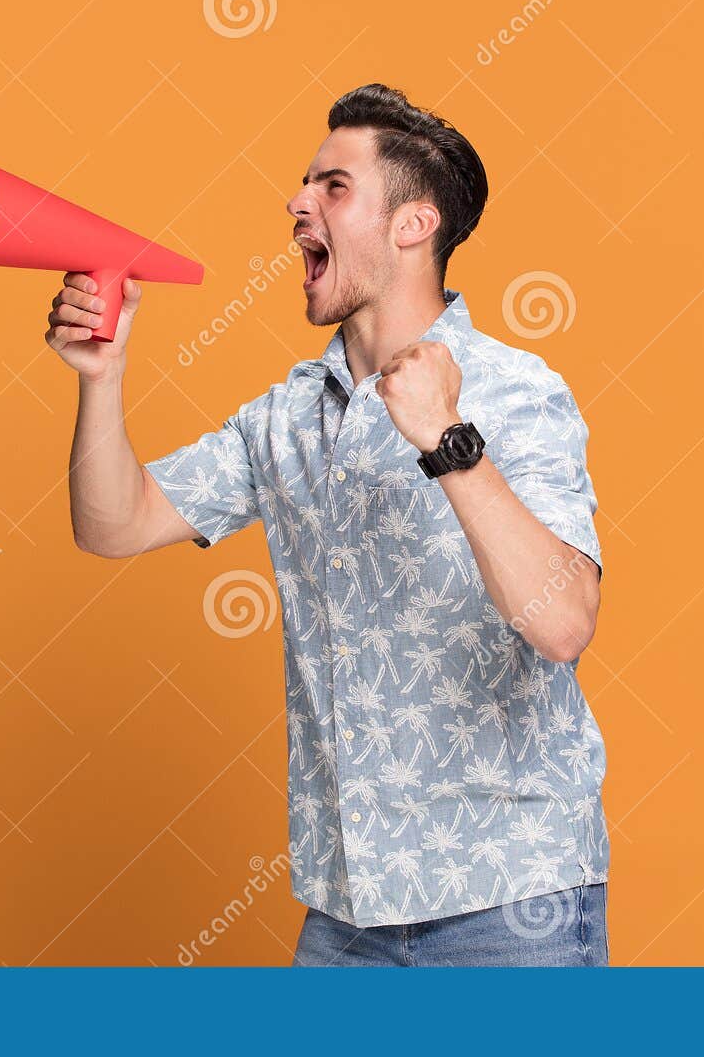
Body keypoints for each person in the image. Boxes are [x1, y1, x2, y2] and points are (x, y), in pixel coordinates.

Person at [45, 83, 609, 966]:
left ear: (413, 225)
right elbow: (115, 524)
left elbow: (564, 621)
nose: (297, 202)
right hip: (348, 914)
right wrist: (100, 377)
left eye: (333, 186)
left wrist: (446, 441)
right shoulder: (287, 418)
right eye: (305, 184)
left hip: (511, 903)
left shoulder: (512, 388)